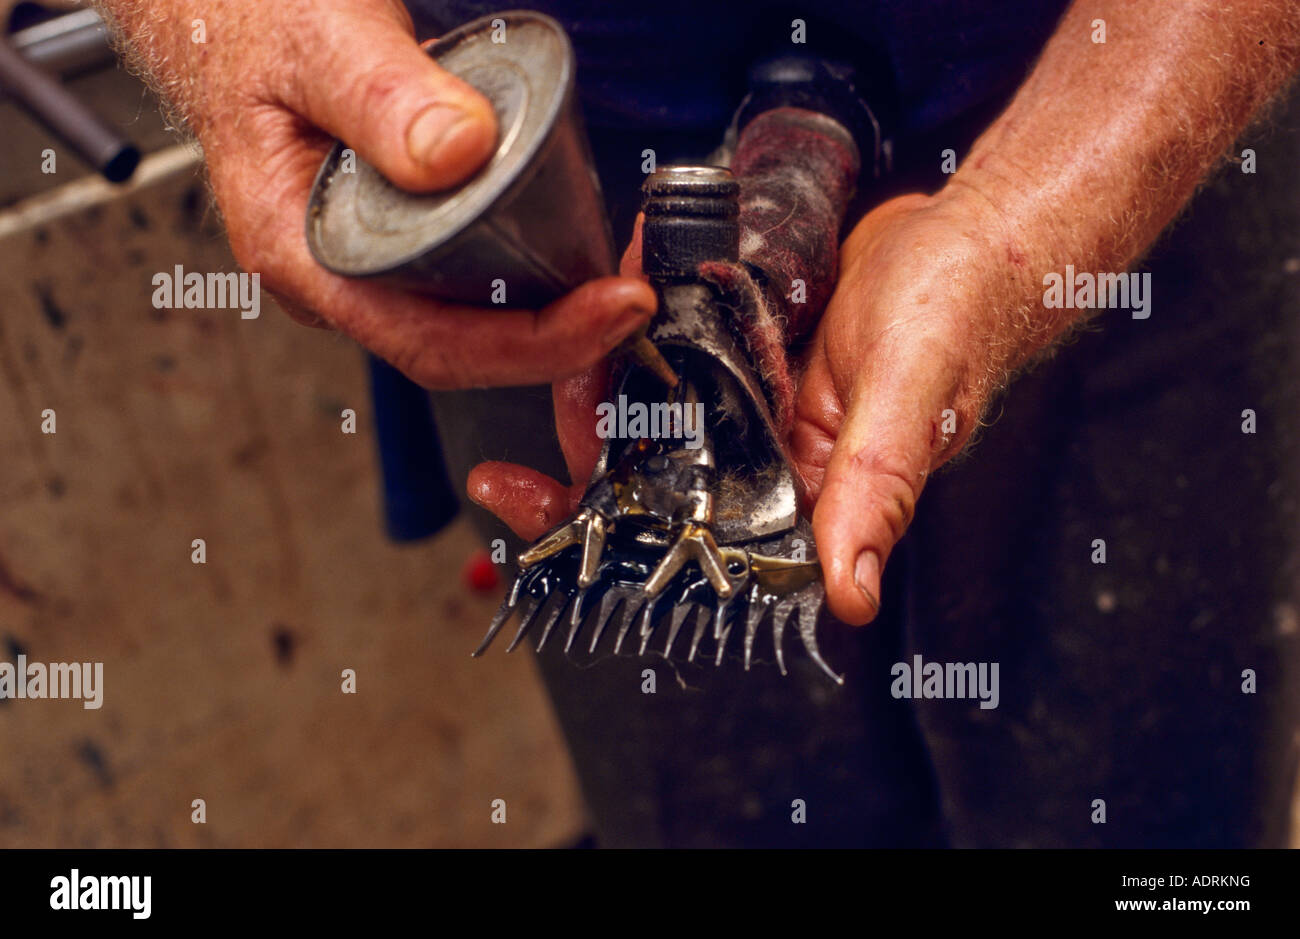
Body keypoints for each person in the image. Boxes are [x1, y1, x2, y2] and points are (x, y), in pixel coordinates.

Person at [96, 0, 1300, 846]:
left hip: (1116, 100)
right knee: (718, 801)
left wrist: (1025, 222)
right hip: (517, 172)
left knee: (1146, 801)